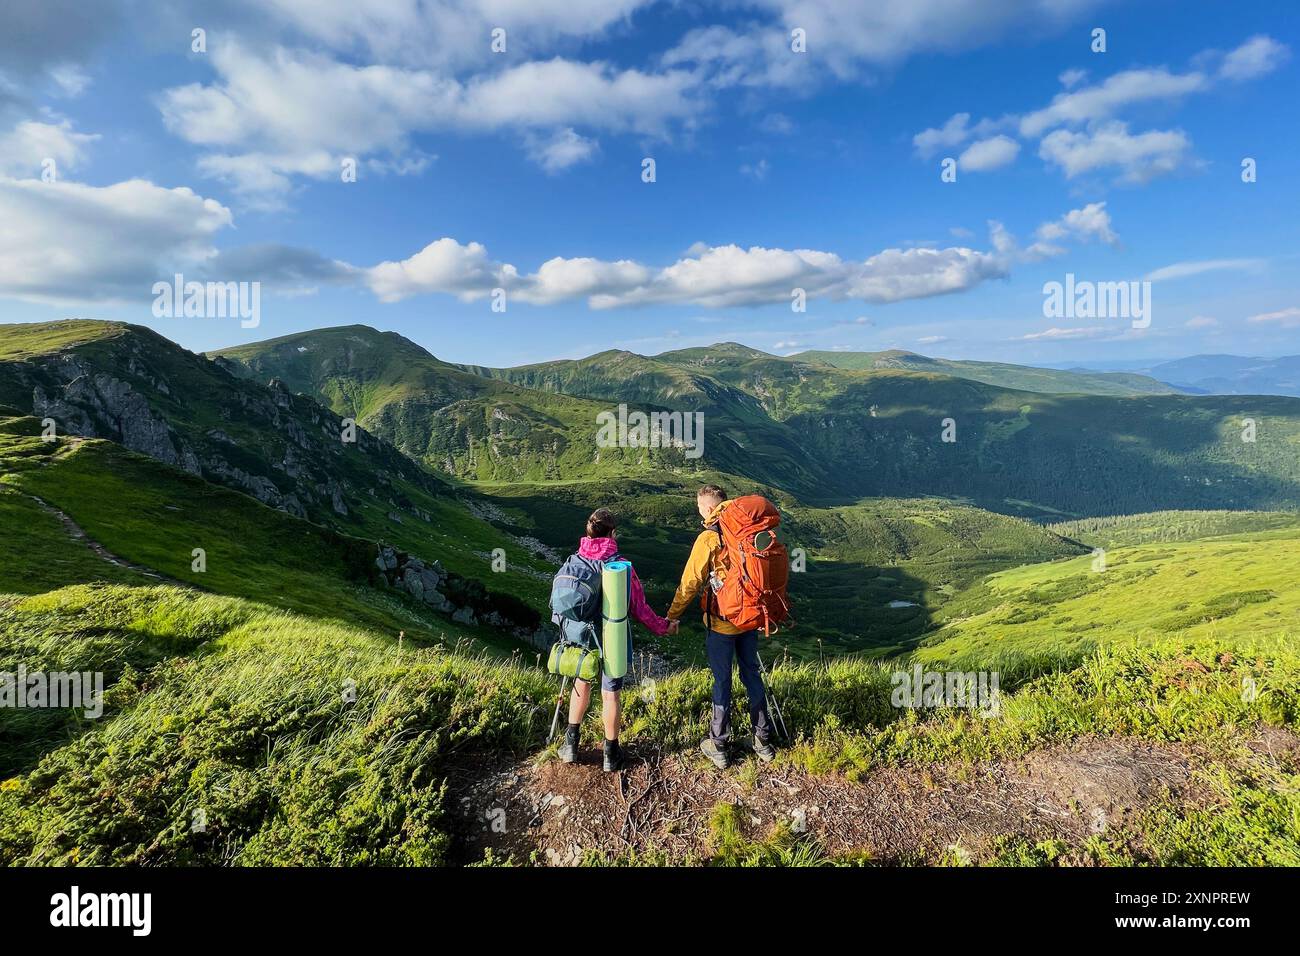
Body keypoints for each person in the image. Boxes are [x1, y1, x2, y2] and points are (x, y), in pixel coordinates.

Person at [558, 507, 678, 771]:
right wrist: (663, 628)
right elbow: (639, 609)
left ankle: (570, 745)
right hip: (612, 638)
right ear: (613, 533)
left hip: (582, 638)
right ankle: (611, 755)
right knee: (610, 694)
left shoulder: (574, 561)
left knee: (581, 684)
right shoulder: (621, 567)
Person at [667, 485, 775, 770]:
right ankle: (763, 741)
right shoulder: (747, 530)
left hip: (723, 623)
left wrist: (673, 614)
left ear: (704, 508)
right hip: (750, 619)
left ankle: (720, 746)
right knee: (752, 675)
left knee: (722, 682)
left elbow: (690, 582)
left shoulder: (708, 538)